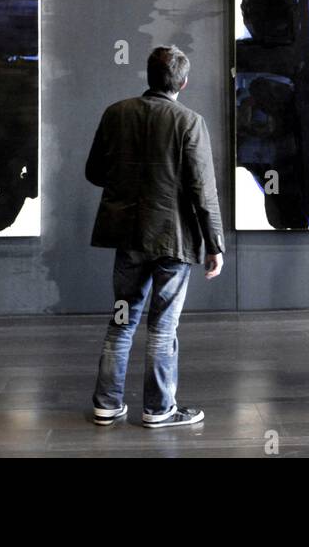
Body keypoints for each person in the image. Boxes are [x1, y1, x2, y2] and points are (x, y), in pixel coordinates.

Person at [85, 45, 226, 428]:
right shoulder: (189, 122)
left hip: (129, 236)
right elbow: (203, 190)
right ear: (183, 81)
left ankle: (106, 404)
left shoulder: (116, 113)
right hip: (173, 240)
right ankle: (159, 409)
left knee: (122, 319)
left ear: (149, 76)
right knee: (163, 327)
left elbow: (95, 172)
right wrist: (215, 245)